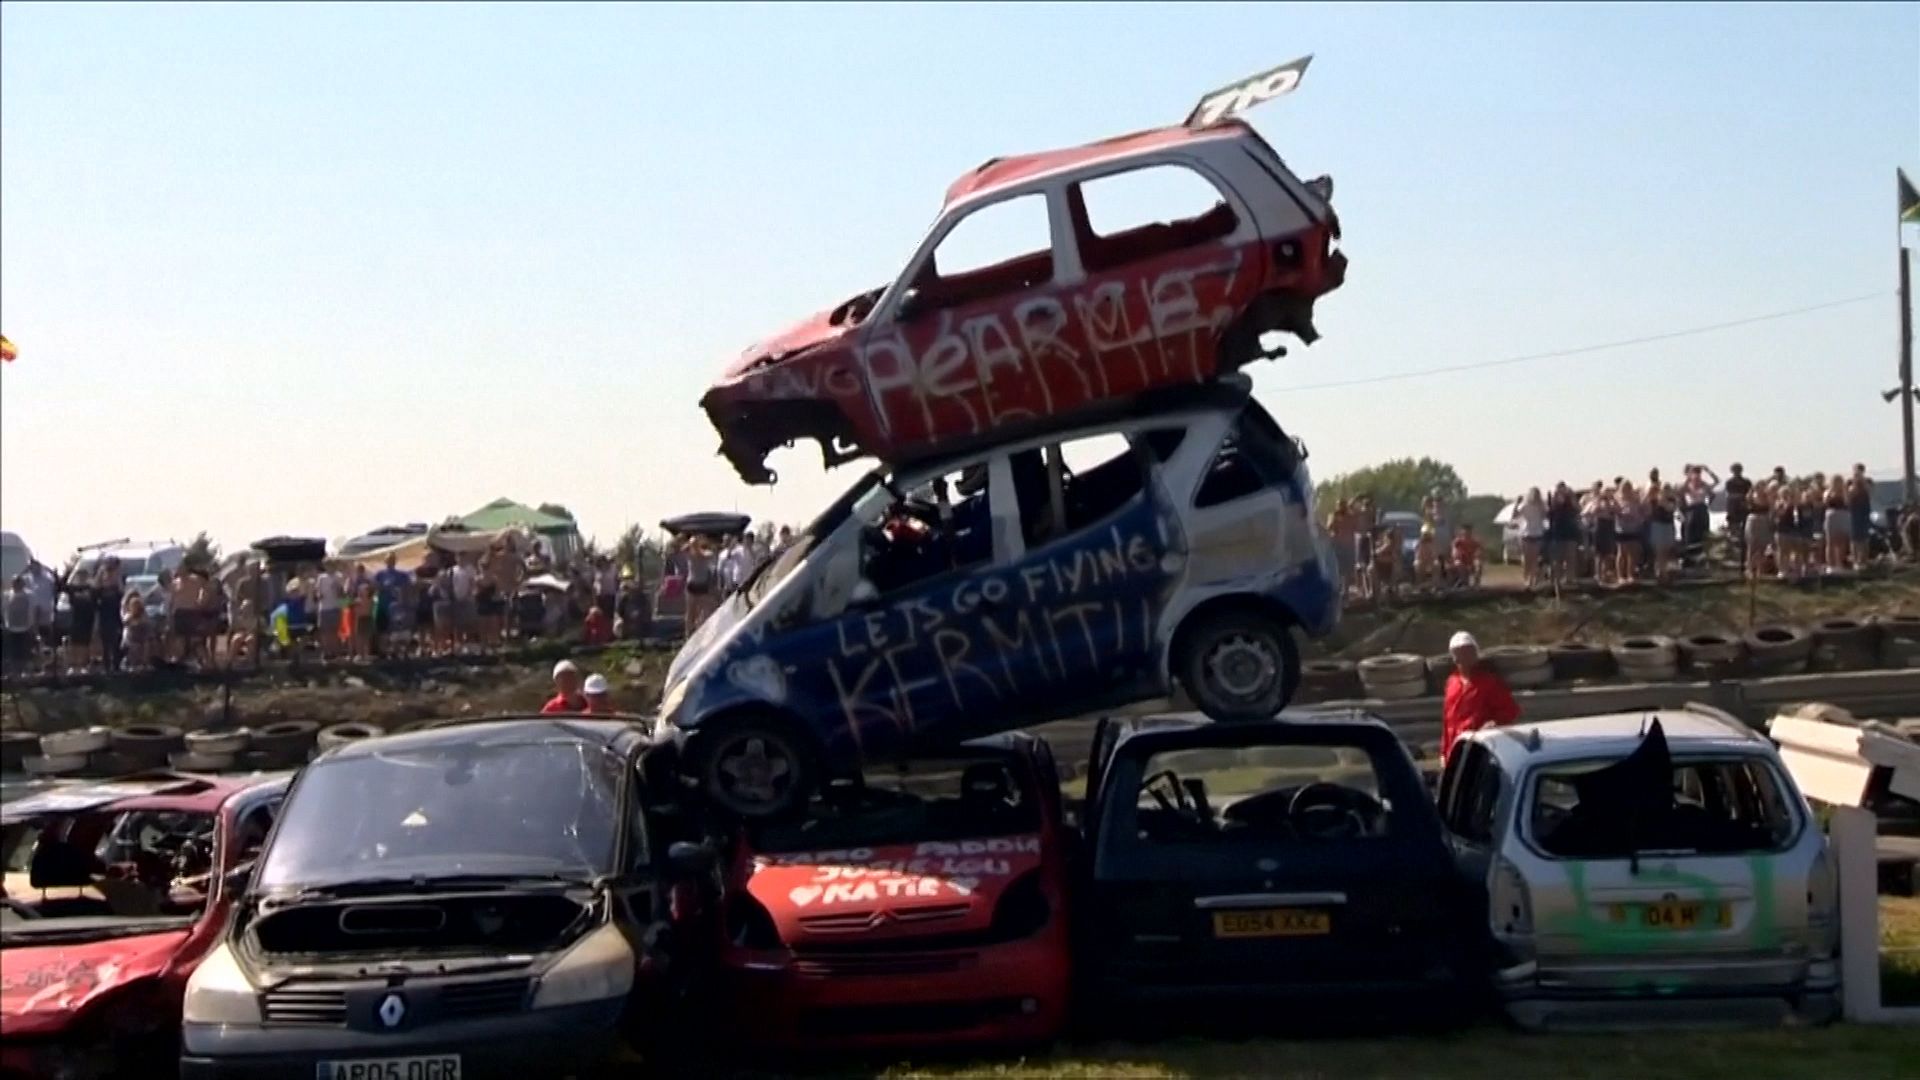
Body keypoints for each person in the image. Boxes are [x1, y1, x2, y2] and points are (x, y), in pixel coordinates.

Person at [1441, 631, 1520, 765]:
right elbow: (1448, 720)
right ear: (1454, 657)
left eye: (1468, 652)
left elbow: (1511, 711)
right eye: (1459, 653)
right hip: (1454, 751)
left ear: (1476, 654)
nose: (1464, 657)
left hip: (1480, 751)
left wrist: (1494, 723)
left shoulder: (1489, 682)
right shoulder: (1451, 682)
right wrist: (1443, 753)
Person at [95, 556, 125, 672]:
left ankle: (117, 664)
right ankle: (106, 665)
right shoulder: (100, 587)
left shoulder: (118, 583)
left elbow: (122, 592)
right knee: (105, 641)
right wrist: (101, 575)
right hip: (104, 616)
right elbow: (95, 588)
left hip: (116, 615)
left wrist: (116, 578)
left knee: (116, 640)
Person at [1724, 463, 1753, 568]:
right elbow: (1731, 495)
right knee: (1734, 535)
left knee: (1745, 536)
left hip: (1744, 511)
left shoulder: (1746, 482)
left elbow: (1749, 494)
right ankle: (1734, 559)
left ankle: (1744, 560)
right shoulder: (1729, 482)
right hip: (1733, 511)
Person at [1517, 489, 1547, 590]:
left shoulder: (1541, 506)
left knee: (1534, 559)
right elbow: (1517, 514)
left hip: (1536, 533)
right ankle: (1526, 578)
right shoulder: (1525, 505)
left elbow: (1544, 516)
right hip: (1526, 533)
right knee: (1527, 559)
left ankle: (1531, 579)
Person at [3, 576, 34, 675]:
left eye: (19, 582)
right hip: (11, 627)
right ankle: (14, 672)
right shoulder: (7, 595)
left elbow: (31, 610)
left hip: (25, 627)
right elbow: (5, 610)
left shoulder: (29, 595)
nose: (17, 585)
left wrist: (31, 624)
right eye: (15, 583)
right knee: (13, 652)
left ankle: (25, 671)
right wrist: (6, 624)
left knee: (25, 651)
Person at [1847, 464, 1874, 569]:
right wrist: (1854, 483)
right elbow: (1849, 496)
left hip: (1864, 510)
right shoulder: (1850, 482)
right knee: (1854, 538)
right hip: (1853, 511)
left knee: (1864, 537)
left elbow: (1870, 493)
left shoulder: (1868, 481)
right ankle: (1855, 560)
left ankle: (1864, 560)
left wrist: (1863, 482)